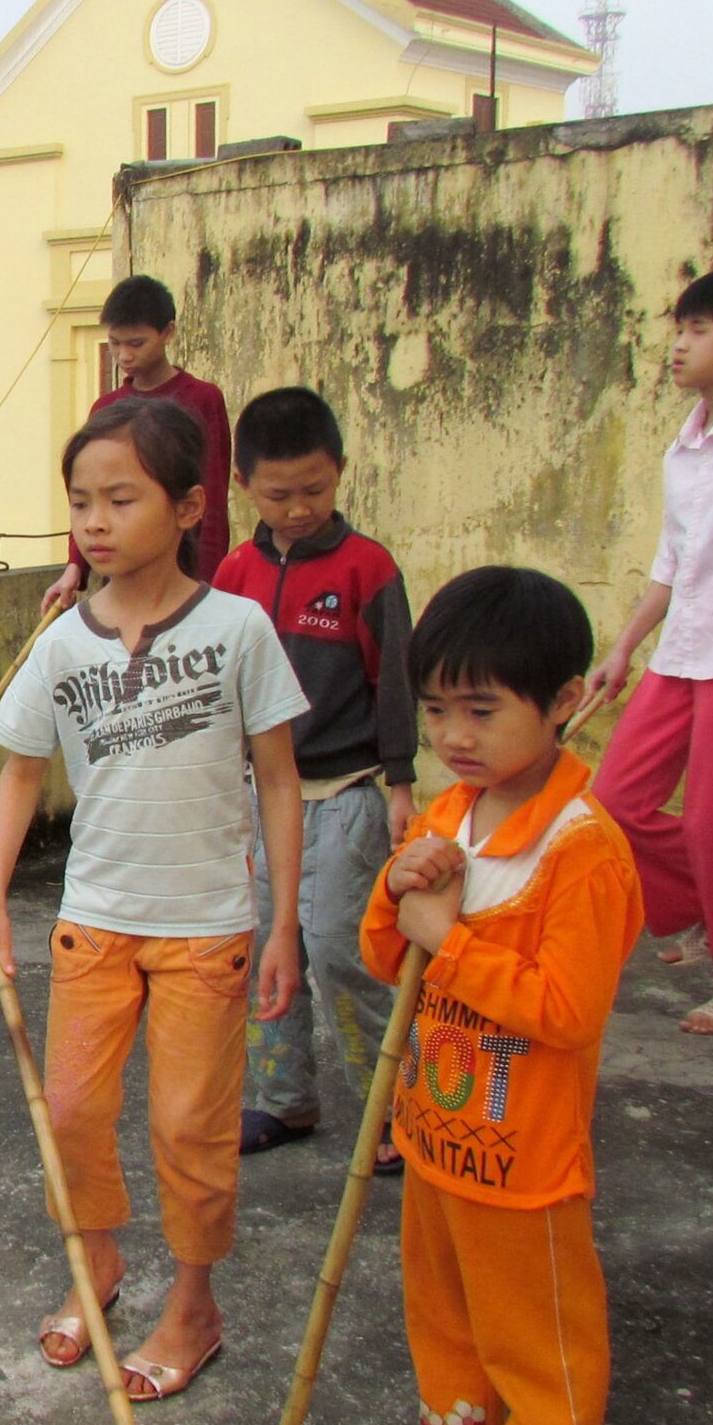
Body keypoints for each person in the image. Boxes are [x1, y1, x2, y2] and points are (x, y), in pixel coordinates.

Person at [0, 396, 306, 1401]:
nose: (95, 522)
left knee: (190, 1127)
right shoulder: (63, 642)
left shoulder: (239, 628)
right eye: (81, 502)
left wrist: (283, 923)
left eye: (121, 499)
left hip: (207, 927)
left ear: (189, 506)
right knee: (71, 1110)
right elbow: (21, 773)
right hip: (94, 922)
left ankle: (193, 1307)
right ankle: (98, 1260)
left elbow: (278, 780)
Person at [348, 567, 643, 1425]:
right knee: (443, 1322)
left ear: (562, 701)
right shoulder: (450, 813)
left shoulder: (582, 850)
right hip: (435, 1137)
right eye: (435, 711)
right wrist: (395, 891)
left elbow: (564, 1009)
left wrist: (448, 937)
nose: (453, 737)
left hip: (526, 1164)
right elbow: (387, 959)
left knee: (540, 1353)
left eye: (481, 710)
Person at [210, 387, 418, 1163]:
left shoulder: (370, 568)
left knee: (338, 950)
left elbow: (395, 683)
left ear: (341, 472)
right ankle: (284, 1100)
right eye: (278, 495)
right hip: (258, 800)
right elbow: (217, 684)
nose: (298, 509)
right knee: (263, 949)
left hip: (345, 795)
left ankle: (395, 1112)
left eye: (315, 490)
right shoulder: (235, 572)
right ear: (243, 486)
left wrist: (401, 784)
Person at [581, 271, 713, 1035]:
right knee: (614, 803)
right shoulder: (687, 442)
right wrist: (624, 650)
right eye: (678, 329)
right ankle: (708, 904)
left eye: (698, 330)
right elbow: (672, 563)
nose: (678, 345)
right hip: (681, 651)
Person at [39, 276, 234, 614]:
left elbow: (212, 499)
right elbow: (89, 496)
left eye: (136, 343)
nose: (123, 355)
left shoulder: (202, 399)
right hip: (122, 577)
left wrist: (207, 586)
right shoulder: (107, 408)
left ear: (168, 332)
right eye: (114, 343)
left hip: (182, 573)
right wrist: (75, 568)